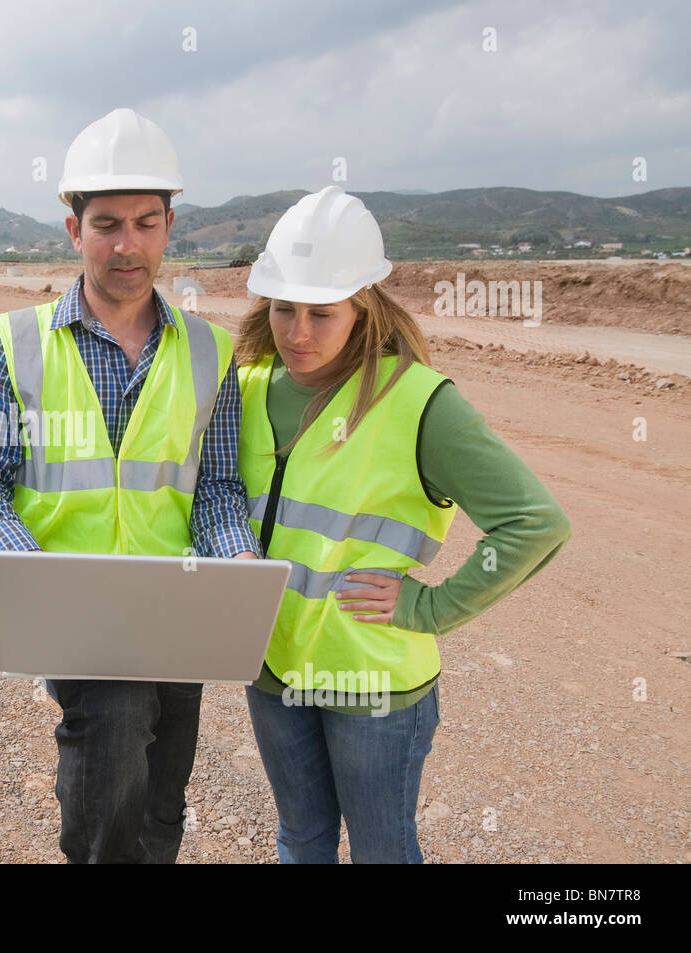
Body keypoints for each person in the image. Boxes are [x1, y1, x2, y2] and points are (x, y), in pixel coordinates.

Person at [0, 108, 259, 864]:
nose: (128, 244)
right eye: (108, 223)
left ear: (169, 225)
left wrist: (236, 561)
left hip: (177, 607)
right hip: (74, 613)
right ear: (73, 230)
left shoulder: (212, 352)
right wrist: (29, 569)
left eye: (146, 224)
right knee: (114, 733)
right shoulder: (17, 343)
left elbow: (215, 486)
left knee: (161, 790)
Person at [235, 185, 571, 864]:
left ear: (363, 308)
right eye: (283, 310)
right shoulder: (245, 387)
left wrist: (433, 604)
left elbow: (536, 522)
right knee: (300, 839)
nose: (298, 332)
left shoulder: (418, 402)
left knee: (382, 849)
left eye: (322, 314)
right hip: (270, 669)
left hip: (373, 686)